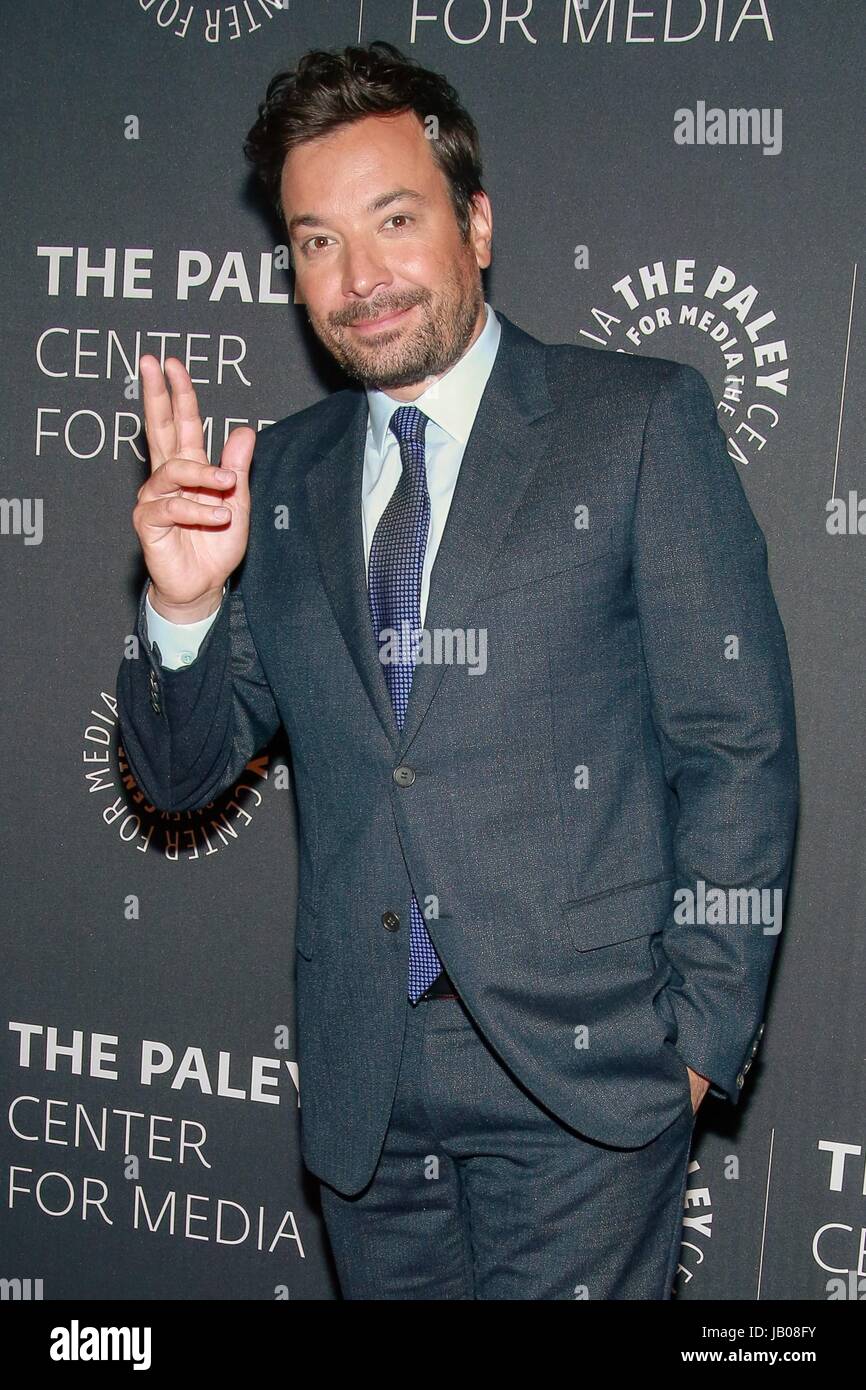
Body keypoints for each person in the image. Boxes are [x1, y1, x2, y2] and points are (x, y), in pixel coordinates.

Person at [116, 41, 799, 1299]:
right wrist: (181, 598)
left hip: (582, 1086)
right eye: (316, 240)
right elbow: (179, 773)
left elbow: (734, 748)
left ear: (474, 223)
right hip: (369, 1096)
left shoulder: (636, 421)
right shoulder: (285, 478)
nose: (359, 277)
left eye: (393, 220)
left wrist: (697, 1038)